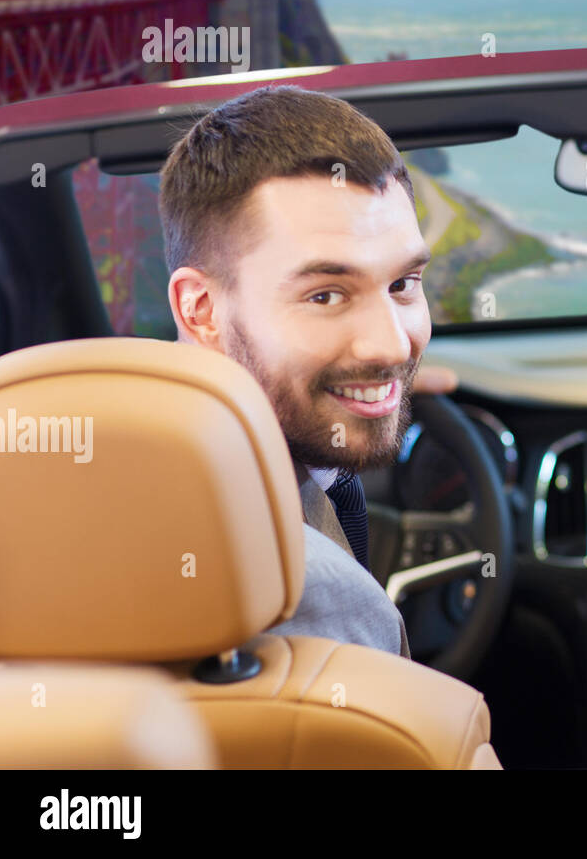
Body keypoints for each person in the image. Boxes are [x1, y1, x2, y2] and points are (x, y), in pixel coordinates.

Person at [160, 83, 441, 657]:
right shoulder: (301, 591)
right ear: (201, 309)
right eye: (326, 296)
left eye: (402, 285)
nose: (390, 345)